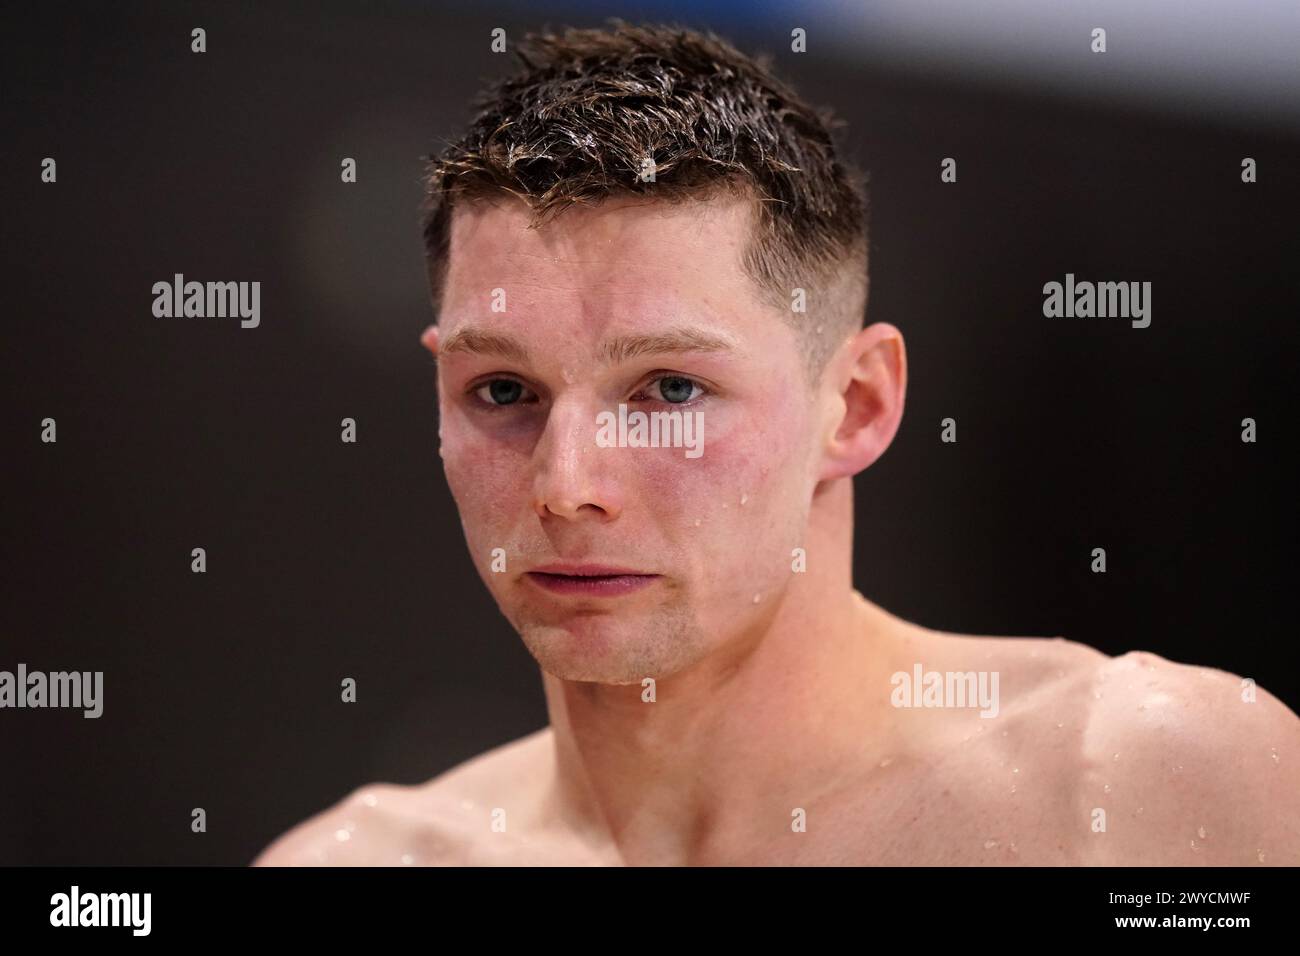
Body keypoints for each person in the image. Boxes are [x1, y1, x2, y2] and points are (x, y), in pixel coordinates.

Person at [254, 20, 1299, 866]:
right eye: (503, 389)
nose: (566, 484)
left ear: (854, 404)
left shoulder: (1138, 784)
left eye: (669, 387)